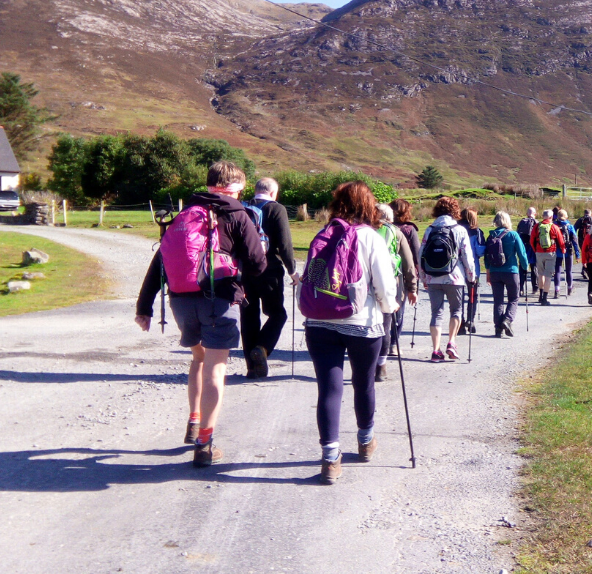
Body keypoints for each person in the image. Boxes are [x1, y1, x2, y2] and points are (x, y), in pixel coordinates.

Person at [135, 161, 267, 467]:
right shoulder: (236, 214)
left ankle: (193, 422)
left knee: (198, 358)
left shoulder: (184, 214)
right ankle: (204, 443)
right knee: (215, 369)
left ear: (208, 184)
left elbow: (160, 261)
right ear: (238, 187)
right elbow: (258, 263)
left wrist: (144, 307)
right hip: (218, 300)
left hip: (180, 301)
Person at [300, 181, 398, 485]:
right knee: (363, 383)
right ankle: (365, 441)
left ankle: (330, 458)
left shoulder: (324, 233)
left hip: (319, 321)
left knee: (328, 390)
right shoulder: (370, 237)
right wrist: (389, 306)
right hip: (362, 322)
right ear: (367, 205)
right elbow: (384, 284)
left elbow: (312, 276)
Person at [241, 177, 299, 380]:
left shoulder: (242, 207)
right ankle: (262, 348)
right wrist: (293, 271)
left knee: (249, 317)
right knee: (277, 314)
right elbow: (285, 244)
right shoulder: (276, 209)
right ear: (273, 193)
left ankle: (251, 368)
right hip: (269, 270)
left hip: (244, 271)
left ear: (256, 190)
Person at [420, 196, 476, 362]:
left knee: (436, 313)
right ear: (455, 210)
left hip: (433, 277)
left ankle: (436, 350)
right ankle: (451, 342)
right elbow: (467, 255)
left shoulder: (430, 230)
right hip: (455, 277)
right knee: (456, 310)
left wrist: (423, 276)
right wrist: (471, 276)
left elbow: (421, 254)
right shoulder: (459, 230)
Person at [375, 204, 417, 382]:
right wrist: (412, 287)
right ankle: (382, 364)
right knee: (387, 322)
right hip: (391, 283)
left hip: (365, 284)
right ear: (390, 217)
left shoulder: (364, 230)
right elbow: (408, 263)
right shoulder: (397, 232)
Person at [485, 211, 529, 337]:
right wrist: (525, 267)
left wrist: (488, 271)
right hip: (511, 271)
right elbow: (522, 253)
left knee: (498, 301)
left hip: (494, 271)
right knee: (513, 298)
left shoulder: (491, 236)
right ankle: (507, 320)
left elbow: (487, 257)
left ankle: (498, 329)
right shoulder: (513, 235)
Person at [388, 198, 420, 358]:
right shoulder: (409, 230)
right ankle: (393, 344)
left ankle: (383, 342)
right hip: (403, 275)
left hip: (385, 272)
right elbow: (416, 254)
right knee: (399, 308)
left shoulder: (383, 229)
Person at [531, 209, 565, 305]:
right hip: (551, 253)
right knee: (548, 276)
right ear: (551, 217)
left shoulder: (537, 226)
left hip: (539, 252)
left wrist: (535, 250)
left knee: (540, 274)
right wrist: (563, 249)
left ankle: (540, 296)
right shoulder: (554, 227)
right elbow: (561, 240)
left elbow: (531, 240)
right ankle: (545, 298)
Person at [460, 208, 485, 335]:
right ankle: (470, 320)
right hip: (472, 268)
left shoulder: (455, 229)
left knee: (458, 297)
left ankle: (460, 322)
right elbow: (480, 250)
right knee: (472, 295)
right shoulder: (477, 232)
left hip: (457, 268)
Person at [553, 209, 579, 297]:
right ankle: (569, 288)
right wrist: (577, 254)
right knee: (569, 271)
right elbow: (575, 241)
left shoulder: (554, 226)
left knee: (557, 271)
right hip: (568, 251)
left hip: (557, 251)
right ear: (566, 216)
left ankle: (557, 290)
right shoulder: (570, 226)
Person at [516, 207, 538, 295]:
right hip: (533, 248)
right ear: (535, 214)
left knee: (522, 268)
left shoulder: (521, 222)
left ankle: (520, 288)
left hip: (523, 248)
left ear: (527, 213)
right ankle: (535, 287)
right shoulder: (536, 223)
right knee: (534, 268)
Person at [574, 209, 592, 280]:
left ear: (584, 213)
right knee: (589, 255)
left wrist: (575, 238)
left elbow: (574, 228)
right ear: (590, 213)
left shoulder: (580, 220)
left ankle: (585, 269)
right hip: (590, 239)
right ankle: (585, 270)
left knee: (584, 254)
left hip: (581, 239)